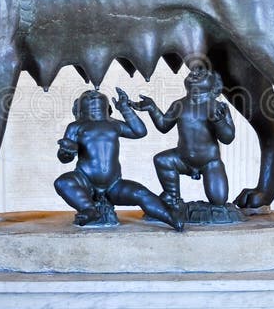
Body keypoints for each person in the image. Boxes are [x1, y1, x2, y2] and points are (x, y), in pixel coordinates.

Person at [55, 88, 184, 231]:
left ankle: (171, 217)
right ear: (79, 108)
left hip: (114, 184)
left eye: (97, 95)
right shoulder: (76, 126)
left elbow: (139, 132)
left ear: (107, 108)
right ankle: (88, 209)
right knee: (63, 182)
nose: (93, 93)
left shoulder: (114, 124)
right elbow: (65, 158)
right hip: (85, 180)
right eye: (88, 96)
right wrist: (67, 151)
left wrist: (125, 108)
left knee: (141, 193)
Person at [131, 66, 236, 208]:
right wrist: (152, 108)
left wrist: (220, 121)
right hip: (182, 158)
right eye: (192, 73)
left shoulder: (217, 107)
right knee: (162, 160)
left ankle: (207, 198)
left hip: (210, 162)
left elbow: (228, 138)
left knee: (219, 201)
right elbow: (163, 126)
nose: (194, 75)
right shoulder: (179, 105)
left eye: (202, 74)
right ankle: (172, 196)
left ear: (213, 83)